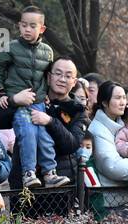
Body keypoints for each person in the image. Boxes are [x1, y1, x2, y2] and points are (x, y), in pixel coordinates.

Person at [0, 5, 68, 188]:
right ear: (19, 26)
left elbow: (46, 76)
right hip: (19, 102)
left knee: (44, 134)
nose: (27, 29)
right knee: (27, 131)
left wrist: (46, 94)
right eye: (24, 25)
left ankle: (50, 174)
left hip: (39, 103)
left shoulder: (48, 52)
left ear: (41, 29)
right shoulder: (11, 48)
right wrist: (1, 93)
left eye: (32, 26)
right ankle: (28, 173)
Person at [32, 59, 86, 187]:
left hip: (62, 181)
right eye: (58, 74)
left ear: (74, 82)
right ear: (49, 77)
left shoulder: (78, 110)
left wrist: (50, 121)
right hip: (26, 179)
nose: (62, 79)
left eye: (68, 76)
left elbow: (72, 145)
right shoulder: (32, 98)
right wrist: (14, 100)